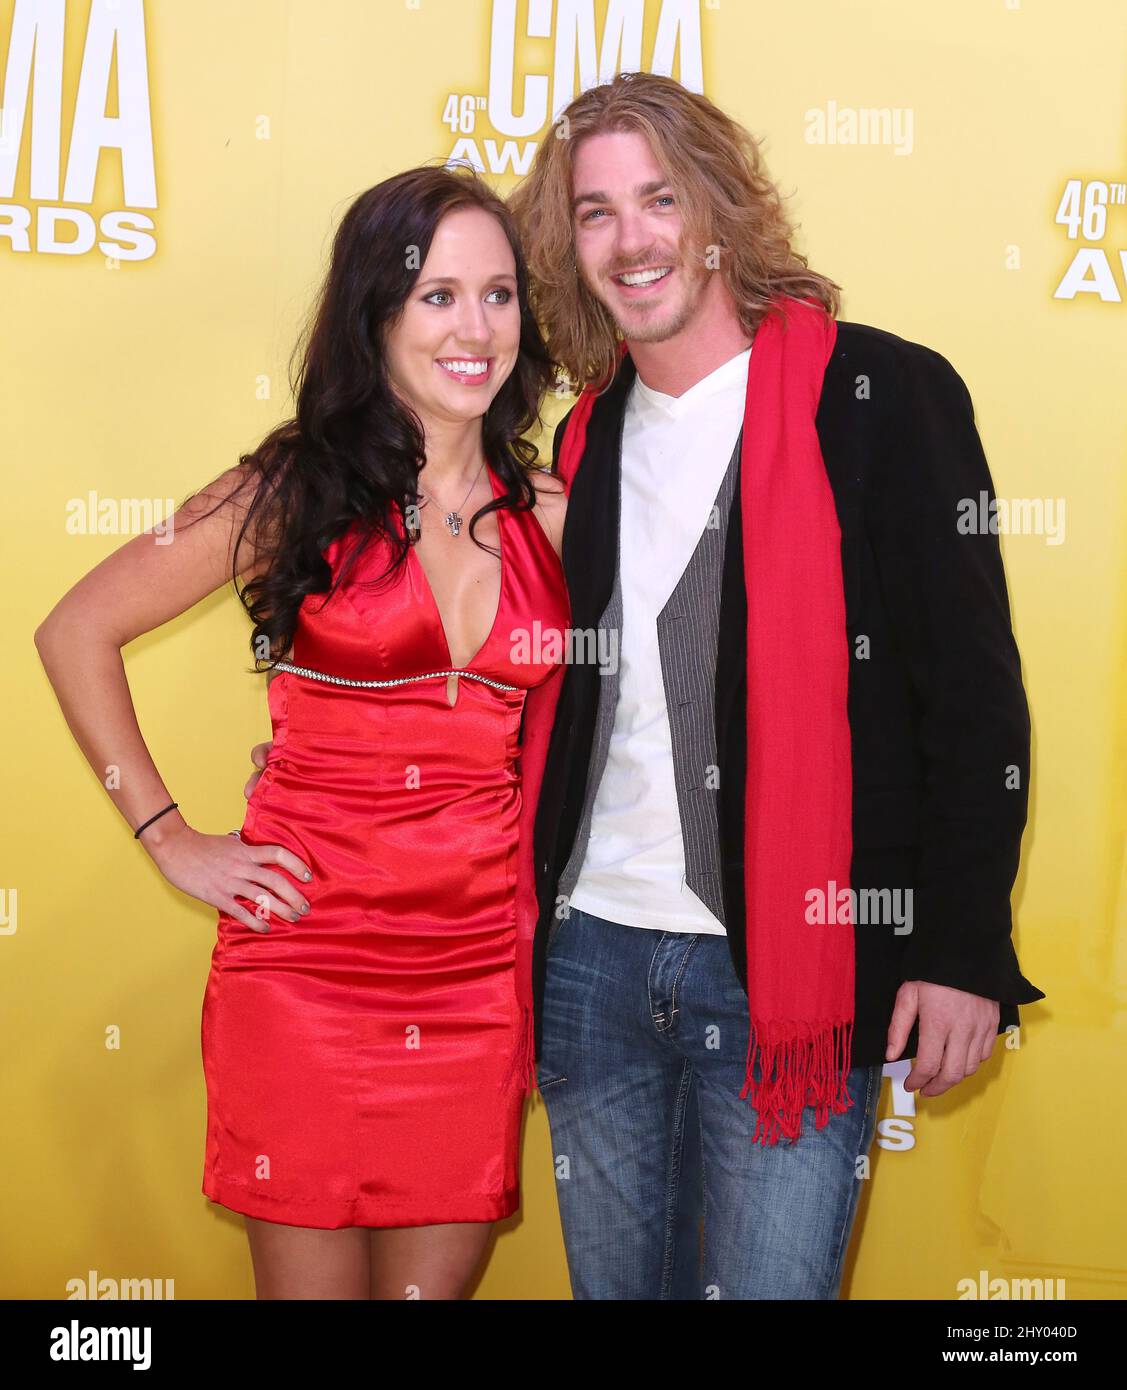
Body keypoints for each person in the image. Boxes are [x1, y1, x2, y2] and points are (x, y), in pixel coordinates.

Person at [501, 72, 1046, 1299]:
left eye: (657, 197)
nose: (631, 238)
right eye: (594, 213)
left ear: (716, 211)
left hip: (786, 972)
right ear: (568, 245)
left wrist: (959, 947)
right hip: (591, 959)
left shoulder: (878, 394)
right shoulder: (585, 438)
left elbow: (970, 697)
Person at [33, 165, 569, 1300]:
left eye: (497, 293)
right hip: (304, 966)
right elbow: (75, 628)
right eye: (434, 295)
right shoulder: (290, 492)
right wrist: (171, 835)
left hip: (476, 976)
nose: (474, 328)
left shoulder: (560, 516)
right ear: (373, 312)